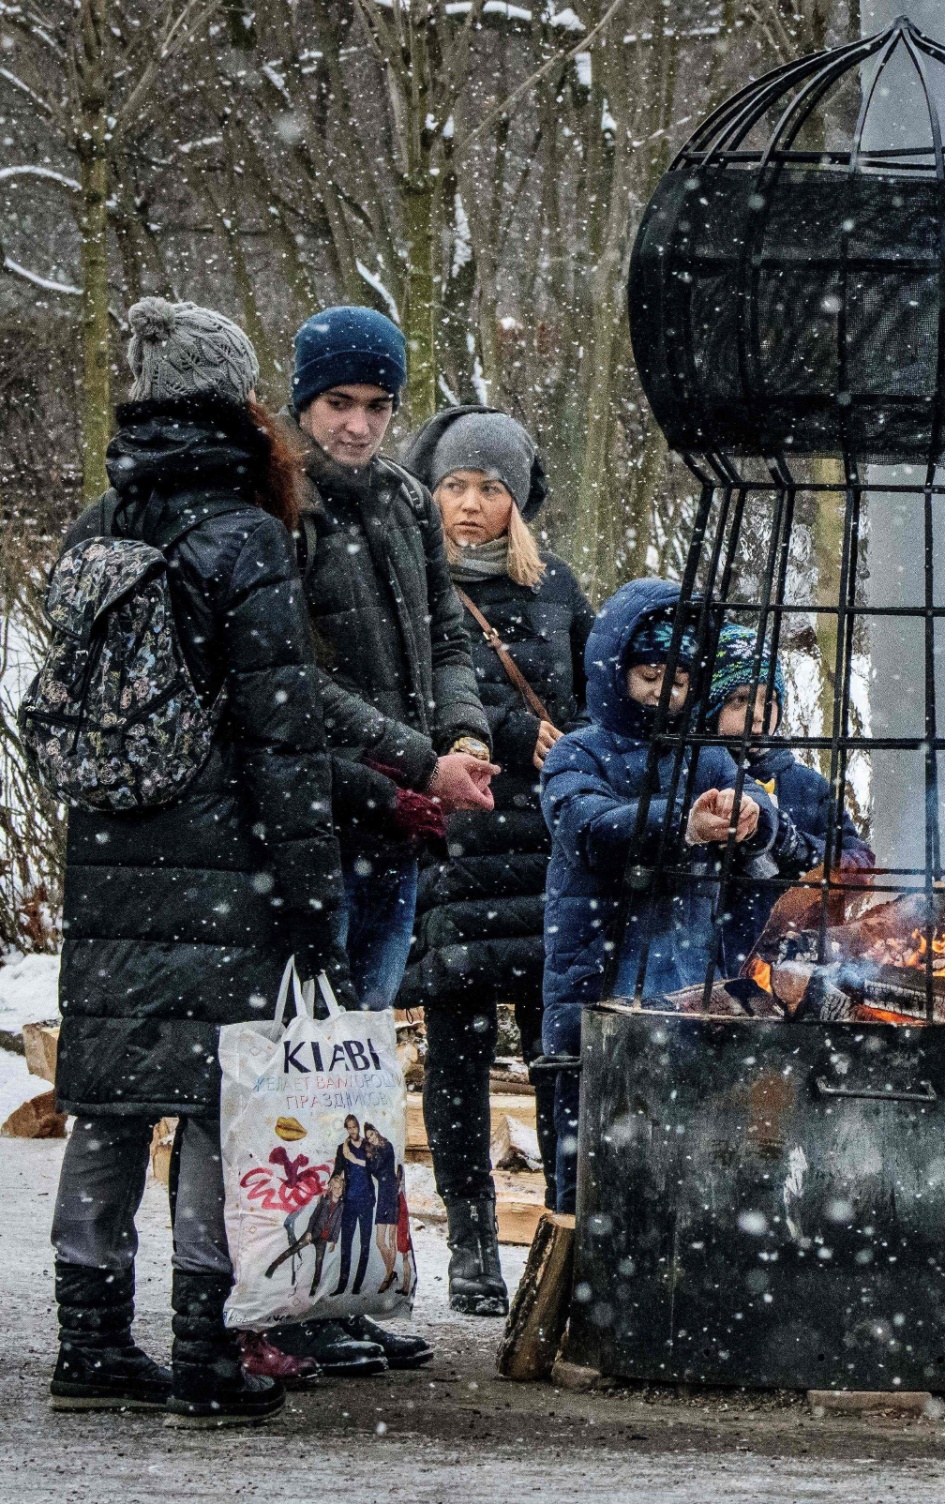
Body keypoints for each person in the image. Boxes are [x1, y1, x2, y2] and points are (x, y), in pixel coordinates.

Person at [47, 298, 344, 1426]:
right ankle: (209, 1351)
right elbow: (280, 733)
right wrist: (310, 886)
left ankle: (89, 1341)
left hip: (110, 858)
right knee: (223, 1102)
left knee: (112, 1104)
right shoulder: (244, 537)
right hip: (226, 864)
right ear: (233, 404)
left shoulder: (93, 532)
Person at [273, 305, 486, 1376]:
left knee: (356, 1064)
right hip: (320, 826)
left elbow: (447, 636)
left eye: (373, 405)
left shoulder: (406, 501)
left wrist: (462, 733)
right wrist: (411, 762)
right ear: (305, 403)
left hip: (402, 824)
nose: (356, 425)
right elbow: (290, 687)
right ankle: (292, 1294)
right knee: (303, 1069)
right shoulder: (283, 507)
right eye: (338, 404)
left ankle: (341, 1293)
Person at [397, 407, 593, 1313]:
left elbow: (606, 693)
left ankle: (561, 1230)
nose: (468, 506)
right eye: (453, 486)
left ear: (518, 499)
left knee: (558, 1053)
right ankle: (471, 1242)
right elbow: (419, 700)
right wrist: (517, 734)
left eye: (488, 488)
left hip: (550, 851)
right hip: (459, 846)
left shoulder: (556, 588)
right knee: (459, 1055)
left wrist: (581, 749)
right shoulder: (411, 585)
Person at [539, 582, 784, 1213]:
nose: (662, 694)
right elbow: (588, 828)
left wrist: (749, 819)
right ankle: (578, 1249)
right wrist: (681, 825)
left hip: (687, 970)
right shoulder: (577, 752)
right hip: (597, 965)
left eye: (677, 682)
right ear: (613, 671)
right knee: (587, 1122)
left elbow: (757, 814)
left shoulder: (703, 757)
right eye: (649, 676)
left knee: (684, 1118)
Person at [705, 622, 874, 978]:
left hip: (790, 974)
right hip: (704, 972)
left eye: (770, 700)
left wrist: (800, 850)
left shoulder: (807, 786)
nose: (758, 714)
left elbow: (860, 867)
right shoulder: (693, 778)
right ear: (709, 706)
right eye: (740, 700)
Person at [330, 1116, 375, 1298]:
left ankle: (357, 1285)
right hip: (349, 1202)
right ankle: (342, 1284)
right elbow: (337, 1170)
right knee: (345, 1245)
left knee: (365, 1244)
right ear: (346, 1129)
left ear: (358, 1127)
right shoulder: (342, 1149)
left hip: (366, 1201)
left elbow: (374, 1167)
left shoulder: (368, 1146)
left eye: (355, 1127)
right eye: (349, 1128)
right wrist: (333, 1181)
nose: (352, 1131)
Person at [364, 1125, 403, 1294]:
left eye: (372, 1134)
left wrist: (370, 1156)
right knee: (380, 1241)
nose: (371, 1138)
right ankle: (390, 1271)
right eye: (368, 1137)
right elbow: (371, 1170)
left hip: (391, 1191)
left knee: (391, 1239)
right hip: (383, 1194)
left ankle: (387, 1276)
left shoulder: (386, 1147)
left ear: (376, 1132)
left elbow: (377, 1167)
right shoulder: (373, 1152)